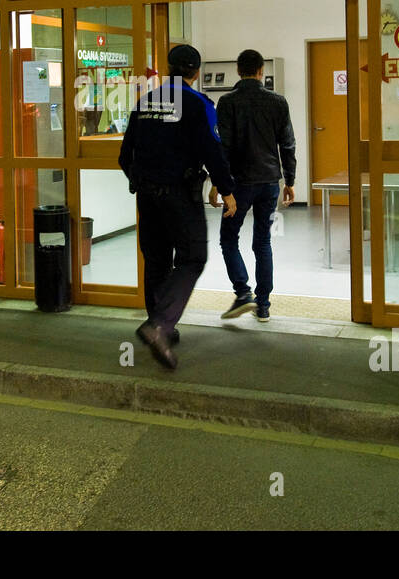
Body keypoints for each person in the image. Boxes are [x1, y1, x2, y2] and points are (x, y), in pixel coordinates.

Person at [119, 44, 236, 369]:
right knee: (192, 256)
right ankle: (159, 326)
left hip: (147, 195)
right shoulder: (198, 103)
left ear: (168, 67)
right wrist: (226, 189)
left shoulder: (145, 102)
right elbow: (213, 151)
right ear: (195, 72)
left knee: (156, 259)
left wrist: (139, 181)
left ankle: (161, 326)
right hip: (179, 195)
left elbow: (124, 155)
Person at [211, 49, 296, 323]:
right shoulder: (278, 102)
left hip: (238, 185)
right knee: (263, 242)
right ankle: (263, 306)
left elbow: (222, 147)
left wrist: (218, 184)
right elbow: (288, 144)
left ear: (238, 70)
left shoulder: (226, 102)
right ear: (262, 71)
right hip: (269, 183)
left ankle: (243, 292)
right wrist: (290, 181)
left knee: (228, 239)